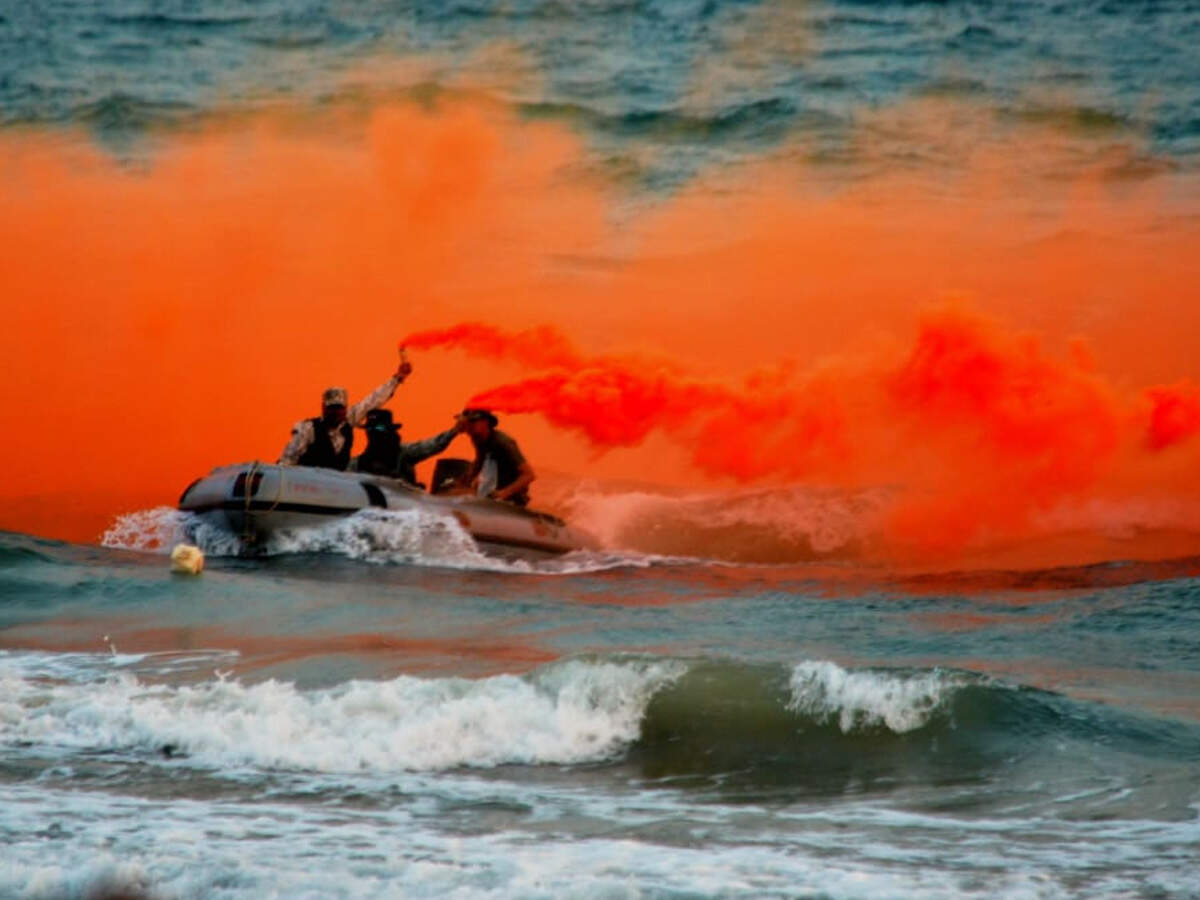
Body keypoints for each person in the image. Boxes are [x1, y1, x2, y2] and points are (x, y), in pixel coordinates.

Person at [279, 357, 412, 470]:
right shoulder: (308, 429)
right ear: (323, 408)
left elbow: (373, 401)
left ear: (345, 408)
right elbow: (288, 459)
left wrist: (397, 379)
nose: (335, 412)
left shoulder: (349, 420)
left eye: (339, 408)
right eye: (332, 408)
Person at [349, 409, 463, 486]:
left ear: (390, 430)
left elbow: (433, 445)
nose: (373, 432)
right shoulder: (356, 464)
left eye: (379, 428)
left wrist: (454, 431)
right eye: (369, 429)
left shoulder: (405, 453)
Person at [461, 408, 536, 506]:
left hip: (512, 500)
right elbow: (480, 460)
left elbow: (529, 475)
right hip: (493, 493)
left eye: (473, 422)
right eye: (467, 423)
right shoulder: (478, 439)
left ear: (486, 422)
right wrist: (468, 481)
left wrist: (504, 493)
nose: (468, 427)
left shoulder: (503, 443)